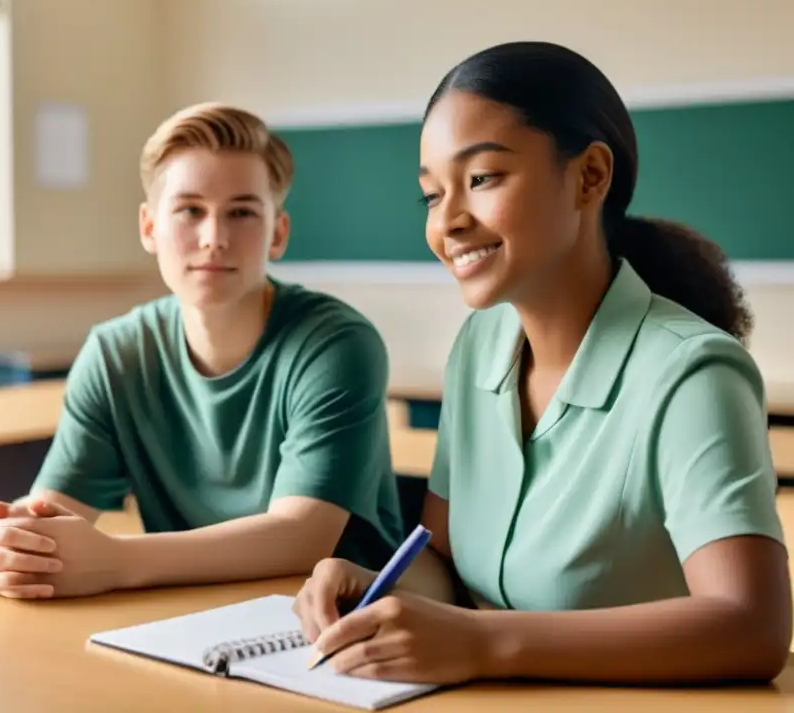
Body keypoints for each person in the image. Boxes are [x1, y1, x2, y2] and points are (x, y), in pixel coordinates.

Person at [293, 41, 791, 686]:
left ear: (589, 176)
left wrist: (483, 643)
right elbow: (441, 558)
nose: (448, 222)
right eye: (430, 195)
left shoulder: (694, 374)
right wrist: (378, 586)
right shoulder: (479, 344)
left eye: (483, 179)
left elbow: (750, 626)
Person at [0, 102, 405, 600]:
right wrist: (8, 540)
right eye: (189, 210)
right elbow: (54, 508)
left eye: (241, 212)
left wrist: (115, 561)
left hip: (339, 623)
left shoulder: (334, 343)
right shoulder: (116, 353)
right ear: (149, 227)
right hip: (184, 609)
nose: (214, 238)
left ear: (278, 233)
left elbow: (301, 537)